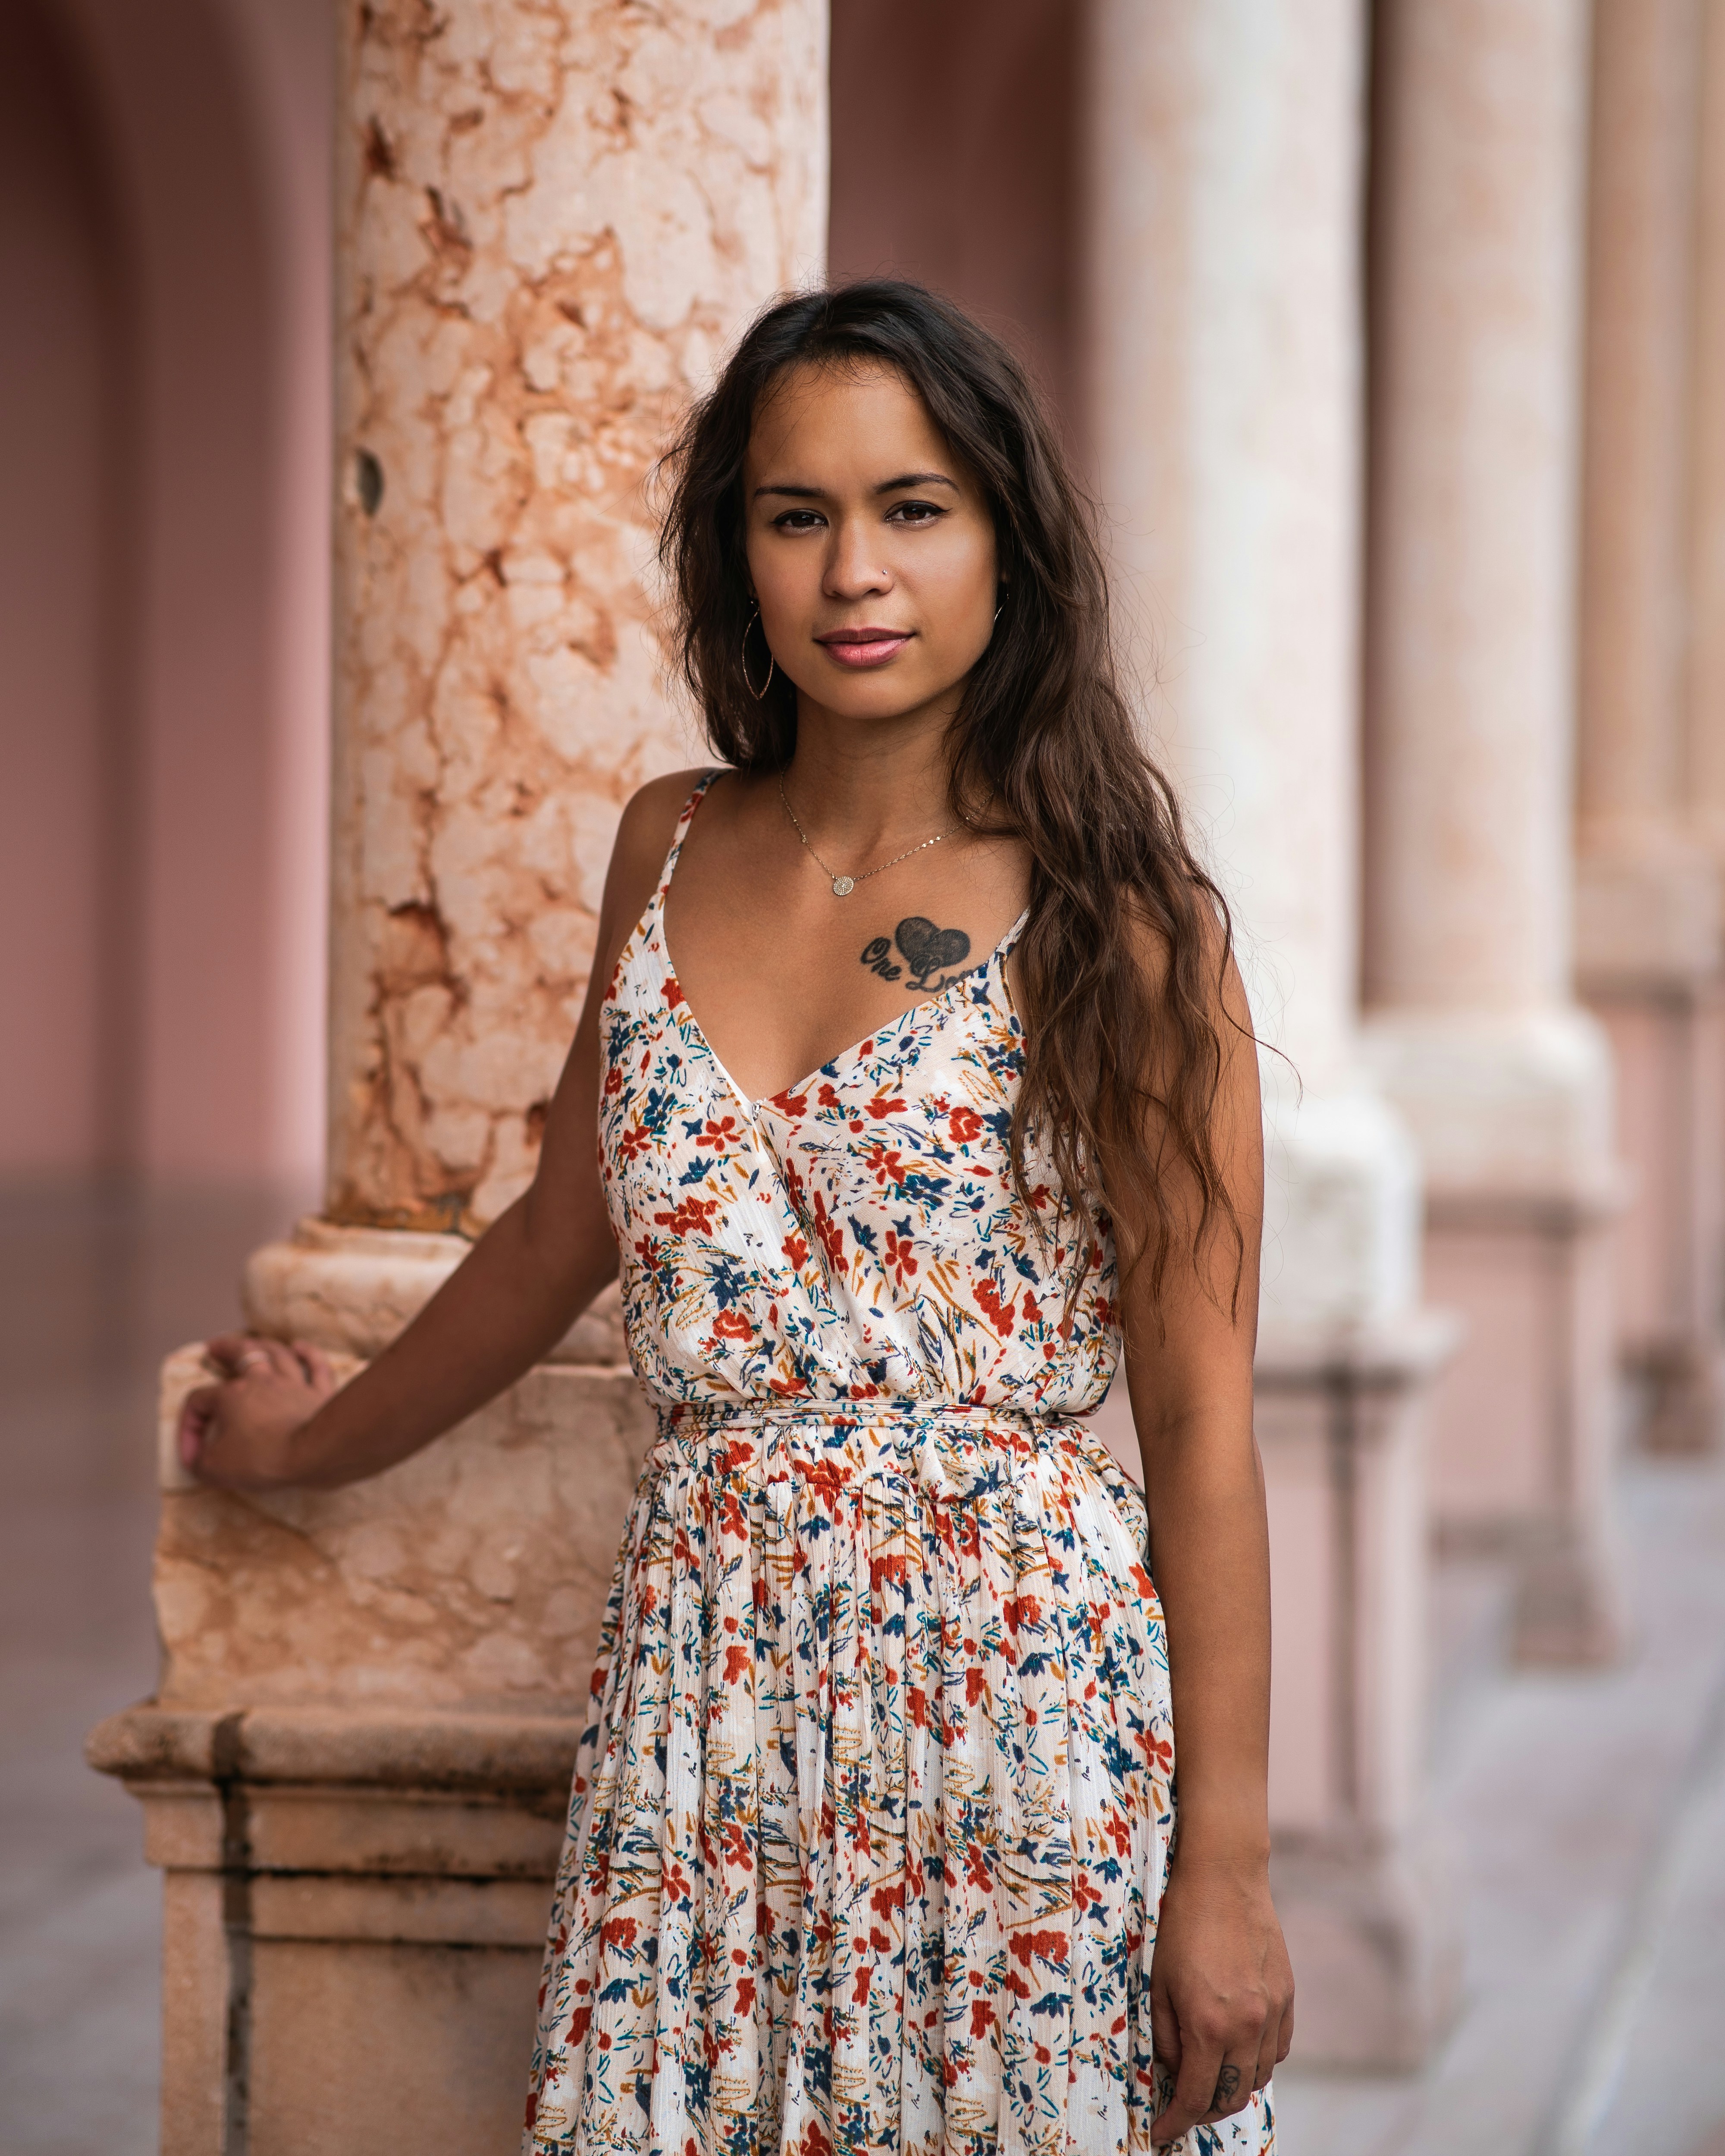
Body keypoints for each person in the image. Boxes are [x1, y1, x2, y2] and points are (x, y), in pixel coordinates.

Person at [180, 280, 1293, 2154]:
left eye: (913, 506)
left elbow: (1199, 1423)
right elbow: (558, 1235)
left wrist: (1230, 1871)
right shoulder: (670, 839)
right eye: (799, 514)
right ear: (741, 551)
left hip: (1018, 1709)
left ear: (1007, 539)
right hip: (707, 1708)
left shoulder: (1129, 921)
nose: (857, 570)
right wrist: (312, 1439)